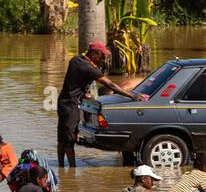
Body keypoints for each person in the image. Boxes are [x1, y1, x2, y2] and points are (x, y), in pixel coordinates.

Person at [57, 41, 148, 169]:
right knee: (70, 139)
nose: (103, 58)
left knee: (61, 138)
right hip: (71, 105)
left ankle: (61, 167)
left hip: (63, 102)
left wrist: (84, 93)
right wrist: (132, 96)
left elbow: (75, 82)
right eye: (101, 55)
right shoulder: (89, 67)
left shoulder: (76, 60)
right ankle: (72, 169)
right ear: (94, 54)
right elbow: (110, 85)